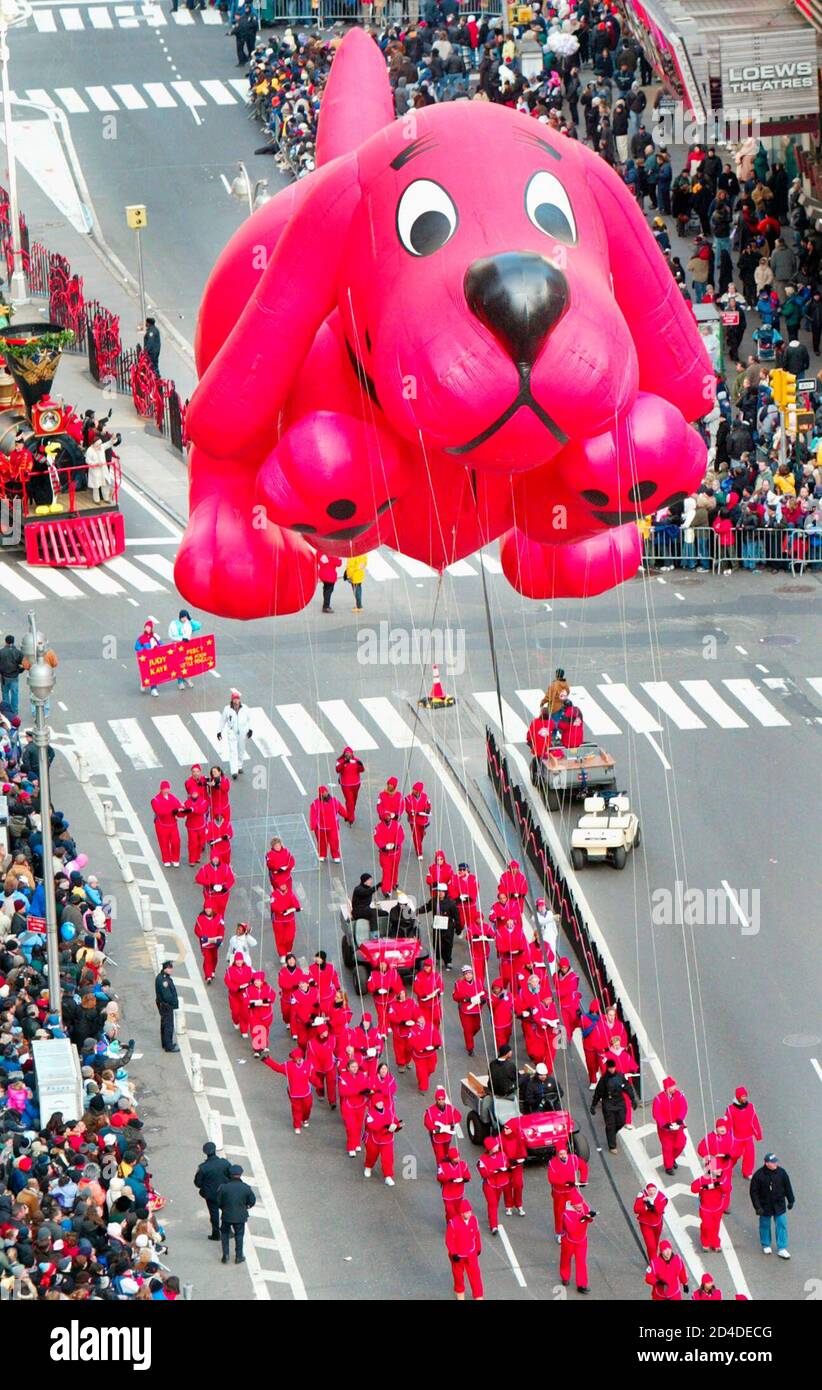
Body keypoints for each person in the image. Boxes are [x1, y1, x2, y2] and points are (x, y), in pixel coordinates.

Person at [750, 1152, 795, 1258]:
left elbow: (788, 1187)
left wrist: (791, 1200)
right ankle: (766, 1244)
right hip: (765, 1205)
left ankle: (782, 1248)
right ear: (766, 1163)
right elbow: (754, 1192)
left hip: (779, 1204)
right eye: (773, 1162)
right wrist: (757, 1207)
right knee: (764, 1225)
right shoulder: (759, 1175)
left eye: (776, 1161)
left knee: (782, 1225)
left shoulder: (782, 1173)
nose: (775, 1164)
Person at [590, 1057, 637, 1153]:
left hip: (619, 1102)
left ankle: (611, 1133)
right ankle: (612, 1146)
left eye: (613, 1068)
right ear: (607, 1068)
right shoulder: (604, 1080)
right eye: (610, 1068)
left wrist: (633, 1099)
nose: (612, 1069)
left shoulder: (620, 1076)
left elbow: (627, 1087)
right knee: (610, 1124)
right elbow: (598, 1093)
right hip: (608, 1103)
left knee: (621, 1121)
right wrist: (593, 1105)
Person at [262, 1050, 313, 1134]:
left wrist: (319, 1084)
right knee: (296, 1109)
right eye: (296, 1058)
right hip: (294, 1093)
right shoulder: (288, 1066)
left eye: (299, 1057)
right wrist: (267, 1060)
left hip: (306, 1092)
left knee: (307, 1107)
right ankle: (297, 1126)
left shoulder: (308, 1065)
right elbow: (277, 1068)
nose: (298, 1059)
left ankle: (305, 1118)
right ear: (293, 1058)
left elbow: (312, 1076)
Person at [548, 1144, 589, 1241]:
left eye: (564, 1153)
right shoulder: (552, 1163)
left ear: (567, 1152)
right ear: (557, 1154)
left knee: (576, 1209)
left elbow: (583, 1167)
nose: (562, 1155)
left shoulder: (574, 1159)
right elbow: (551, 1178)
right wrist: (564, 1183)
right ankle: (559, 1232)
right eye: (560, 1154)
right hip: (559, 1193)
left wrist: (583, 1180)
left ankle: (573, 1229)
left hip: (571, 1191)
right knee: (559, 1213)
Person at [216, 1164, 256, 1265]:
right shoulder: (246, 1188)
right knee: (239, 1235)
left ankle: (226, 1255)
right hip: (240, 1216)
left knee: (225, 1234)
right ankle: (239, 1256)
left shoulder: (223, 1187)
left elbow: (218, 1202)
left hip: (227, 1215)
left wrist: (224, 1208)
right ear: (240, 1174)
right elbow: (252, 1201)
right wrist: (246, 1207)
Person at [193, 1141, 232, 1242]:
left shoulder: (203, 1167)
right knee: (226, 1211)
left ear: (205, 1152)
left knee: (214, 1214)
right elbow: (231, 1176)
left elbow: (197, 1183)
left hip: (211, 1195)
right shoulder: (225, 1163)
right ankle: (229, 1231)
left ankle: (216, 1234)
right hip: (224, 1192)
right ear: (215, 1150)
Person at [445, 1199, 484, 1301]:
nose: (469, 1214)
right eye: (467, 1212)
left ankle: (478, 1295)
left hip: (471, 1253)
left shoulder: (474, 1220)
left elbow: (477, 1235)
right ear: (461, 1213)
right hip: (458, 1255)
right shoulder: (453, 1223)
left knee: (475, 1275)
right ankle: (460, 1293)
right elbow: (449, 1240)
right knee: (458, 1275)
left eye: (470, 1211)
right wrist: (453, 1253)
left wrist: (478, 1247)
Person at [559, 1193, 595, 1293]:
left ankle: (582, 1284)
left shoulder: (583, 1206)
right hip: (569, 1241)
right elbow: (572, 1230)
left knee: (581, 1262)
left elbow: (589, 1218)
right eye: (577, 1204)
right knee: (566, 1259)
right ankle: (565, 1276)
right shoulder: (567, 1214)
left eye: (581, 1203)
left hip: (581, 1240)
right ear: (572, 1204)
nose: (580, 1205)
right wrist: (584, 1219)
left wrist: (590, 1217)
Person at [652, 1076, 688, 1174]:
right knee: (667, 1147)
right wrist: (664, 1124)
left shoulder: (679, 1095)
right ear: (667, 1088)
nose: (675, 1088)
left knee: (681, 1144)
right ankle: (668, 1167)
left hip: (677, 1127)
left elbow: (684, 1107)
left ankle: (672, 1159)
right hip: (665, 1129)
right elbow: (657, 1114)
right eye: (672, 1086)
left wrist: (680, 1119)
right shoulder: (658, 1099)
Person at [725, 1086, 762, 1179]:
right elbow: (728, 1124)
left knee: (750, 1155)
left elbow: (755, 1120)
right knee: (734, 1155)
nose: (744, 1098)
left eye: (745, 1096)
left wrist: (758, 1133)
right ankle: (726, 1168)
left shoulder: (750, 1107)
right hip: (737, 1138)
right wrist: (727, 1137)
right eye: (742, 1096)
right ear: (738, 1097)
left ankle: (747, 1172)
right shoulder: (730, 1109)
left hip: (748, 1136)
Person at [363, 1095, 400, 1185]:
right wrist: (387, 1129)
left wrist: (397, 1126)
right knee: (371, 1156)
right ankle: (368, 1166)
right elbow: (373, 1126)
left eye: (381, 1102)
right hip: (374, 1139)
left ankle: (388, 1176)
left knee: (388, 1158)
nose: (380, 1104)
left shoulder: (389, 1111)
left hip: (387, 1140)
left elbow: (395, 1120)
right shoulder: (370, 1113)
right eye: (377, 1102)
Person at [477, 1135, 509, 1235]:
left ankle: (491, 1217)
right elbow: (483, 1173)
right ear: (490, 1148)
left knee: (496, 1202)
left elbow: (507, 1164)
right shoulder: (482, 1159)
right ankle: (494, 1226)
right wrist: (494, 1171)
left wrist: (507, 1167)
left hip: (500, 1183)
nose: (498, 1146)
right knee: (493, 1204)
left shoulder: (502, 1154)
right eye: (496, 1145)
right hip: (489, 1185)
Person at [217, 690, 253, 780]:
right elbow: (222, 720)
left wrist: (250, 729)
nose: (236, 701)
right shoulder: (227, 709)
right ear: (232, 700)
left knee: (241, 749)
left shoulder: (245, 708)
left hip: (243, 732)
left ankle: (239, 766)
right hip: (232, 732)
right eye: (234, 699)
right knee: (233, 751)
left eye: (237, 699)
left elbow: (250, 719)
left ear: (239, 700)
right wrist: (219, 731)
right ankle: (234, 771)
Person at [452, 965, 486, 1055]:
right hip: (465, 1010)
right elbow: (455, 997)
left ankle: (469, 1037)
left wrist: (483, 999)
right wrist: (465, 999)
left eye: (470, 973)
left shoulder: (478, 981)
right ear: (464, 975)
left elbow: (484, 993)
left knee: (477, 1027)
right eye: (466, 974)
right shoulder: (458, 983)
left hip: (477, 1009)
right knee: (468, 1029)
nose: (468, 976)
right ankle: (470, 1048)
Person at [691, 1164, 725, 1253]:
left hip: (718, 1208)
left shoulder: (723, 1178)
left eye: (719, 1169)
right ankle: (705, 1242)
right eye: (716, 1169)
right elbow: (694, 1188)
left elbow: (728, 1189)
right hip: (706, 1208)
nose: (719, 1171)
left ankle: (715, 1243)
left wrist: (719, 1184)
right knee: (707, 1226)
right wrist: (705, 1185)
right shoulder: (703, 1179)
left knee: (716, 1226)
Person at [149, 779, 183, 867]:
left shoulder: (173, 797)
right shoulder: (155, 800)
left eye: (167, 788)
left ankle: (175, 859)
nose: (166, 790)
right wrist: (172, 811)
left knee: (176, 841)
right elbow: (159, 811)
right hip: (161, 824)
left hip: (172, 824)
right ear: (161, 789)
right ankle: (166, 859)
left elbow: (179, 807)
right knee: (163, 843)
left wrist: (182, 812)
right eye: (164, 788)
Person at [167, 609, 202, 690]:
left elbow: (198, 626)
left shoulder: (188, 623)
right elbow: (171, 635)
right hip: (176, 646)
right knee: (179, 664)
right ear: (180, 617)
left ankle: (187, 678)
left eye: (186, 617)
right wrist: (182, 639)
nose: (184, 619)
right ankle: (180, 681)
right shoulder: (173, 624)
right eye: (183, 617)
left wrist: (191, 619)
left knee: (187, 663)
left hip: (186, 646)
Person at [633, 1182, 668, 1263]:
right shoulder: (642, 1195)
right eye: (650, 1190)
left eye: (653, 1190)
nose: (652, 1192)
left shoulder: (661, 1196)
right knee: (651, 1245)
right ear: (647, 1191)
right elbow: (636, 1209)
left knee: (655, 1243)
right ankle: (654, 1263)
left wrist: (653, 1206)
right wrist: (645, 1206)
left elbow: (660, 1210)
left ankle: (653, 1257)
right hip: (645, 1224)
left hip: (657, 1224)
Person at [423, 1087, 461, 1162]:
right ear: (436, 1100)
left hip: (447, 1136)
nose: (441, 1101)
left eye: (442, 1099)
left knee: (447, 1154)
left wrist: (453, 1122)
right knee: (440, 1156)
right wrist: (434, 1129)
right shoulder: (430, 1111)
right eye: (439, 1099)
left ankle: (446, 1168)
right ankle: (441, 1170)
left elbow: (458, 1116)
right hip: (437, 1138)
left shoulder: (450, 1108)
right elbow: (427, 1122)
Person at [309, 785, 346, 862]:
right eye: (323, 793)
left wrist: (347, 816)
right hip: (321, 827)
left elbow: (341, 809)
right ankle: (322, 854)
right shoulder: (315, 804)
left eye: (325, 792)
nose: (325, 794)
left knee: (334, 841)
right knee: (322, 842)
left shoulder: (335, 801)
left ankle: (336, 855)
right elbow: (313, 815)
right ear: (320, 794)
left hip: (333, 827)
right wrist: (313, 825)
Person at [270, 880, 301, 961]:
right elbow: (273, 906)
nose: (283, 886)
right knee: (279, 938)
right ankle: (282, 954)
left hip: (289, 919)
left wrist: (297, 907)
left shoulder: (290, 893)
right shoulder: (274, 895)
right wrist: (281, 910)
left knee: (290, 937)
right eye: (281, 885)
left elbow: (295, 902)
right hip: (278, 920)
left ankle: (288, 950)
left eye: (284, 885)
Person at [246, 971, 276, 1057]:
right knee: (255, 1030)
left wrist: (264, 1002)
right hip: (254, 1014)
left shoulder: (268, 988)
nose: (256, 982)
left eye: (259, 980)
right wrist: (255, 1003)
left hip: (266, 1014)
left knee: (264, 1029)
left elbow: (272, 998)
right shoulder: (249, 989)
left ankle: (263, 1044)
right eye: (255, 980)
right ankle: (257, 1049)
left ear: (262, 981)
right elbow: (246, 1000)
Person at [374, 815, 404, 895]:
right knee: (386, 871)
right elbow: (377, 838)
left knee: (394, 868)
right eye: (386, 817)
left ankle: (394, 882)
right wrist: (382, 847)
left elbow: (401, 835)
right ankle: (386, 889)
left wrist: (397, 844)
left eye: (388, 816)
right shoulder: (378, 827)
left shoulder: (397, 825)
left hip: (395, 852)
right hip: (385, 853)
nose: (387, 818)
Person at [194, 905, 224, 984]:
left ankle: (212, 970)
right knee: (207, 959)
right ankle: (208, 976)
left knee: (214, 958)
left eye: (209, 908)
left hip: (215, 943)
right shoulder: (200, 918)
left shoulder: (218, 918)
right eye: (206, 908)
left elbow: (221, 929)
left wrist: (220, 939)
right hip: (206, 943)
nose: (208, 910)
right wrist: (201, 936)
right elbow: (197, 930)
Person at [154, 960, 179, 1053]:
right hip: (166, 1006)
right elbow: (167, 995)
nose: (171, 970)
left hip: (163, 1005)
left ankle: (165, 1043)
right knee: (168, 1025)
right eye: (170, 968)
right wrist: (173, 1002)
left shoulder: (161, 977)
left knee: (164, 1024)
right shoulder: (164, 980)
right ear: (166, 968)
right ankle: (169, 1046)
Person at [335, 746, 364, 824]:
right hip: (346, 785)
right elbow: (337, 770)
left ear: (352, 754)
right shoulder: (340, 761)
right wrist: (344, 763)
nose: (348, 755)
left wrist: (361, 765)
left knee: (353, 800)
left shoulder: (356, 760)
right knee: (349, 800)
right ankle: (351, 818)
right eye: (346, 753)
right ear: (344, 754)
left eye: (349, 753)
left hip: (356, 784)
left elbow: (361, 770)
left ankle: (350, 811)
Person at [134, 617, 162, 697]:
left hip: (154, 658)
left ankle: (154, 689)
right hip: (145, 658)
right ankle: (144, 683)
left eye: (149, 627)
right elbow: (136, 647)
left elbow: (161, 645)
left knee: (153, 673)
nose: (148, 629)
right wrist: (144, 650)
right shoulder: (141, 638)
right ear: (144, 628)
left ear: (151, 628)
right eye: (146, 627)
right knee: (146, 672)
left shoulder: (156, 636)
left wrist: (157, 648)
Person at [404, 781, 431, 859]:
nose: (413, 791)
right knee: (416, 836)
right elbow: (407, 809)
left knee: (421, 835)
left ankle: (418, 844)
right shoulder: (408, 798)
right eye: (413, 789)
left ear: (419, 791)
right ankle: (419, 853)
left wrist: (427, 810)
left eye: (415, 790)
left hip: (423, 819)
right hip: (413, 820)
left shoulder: (425, 797)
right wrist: (412, 812)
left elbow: (428, 806)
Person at [0, 634, 22, 715]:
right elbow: (23, 664)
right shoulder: (18, 652)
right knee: (14, 694)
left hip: (4, 677)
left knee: (5, 693)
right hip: (14, 677)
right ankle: (15, 711)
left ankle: (6, 712)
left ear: (6, 642)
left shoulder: (1, 652)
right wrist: (19, 670)